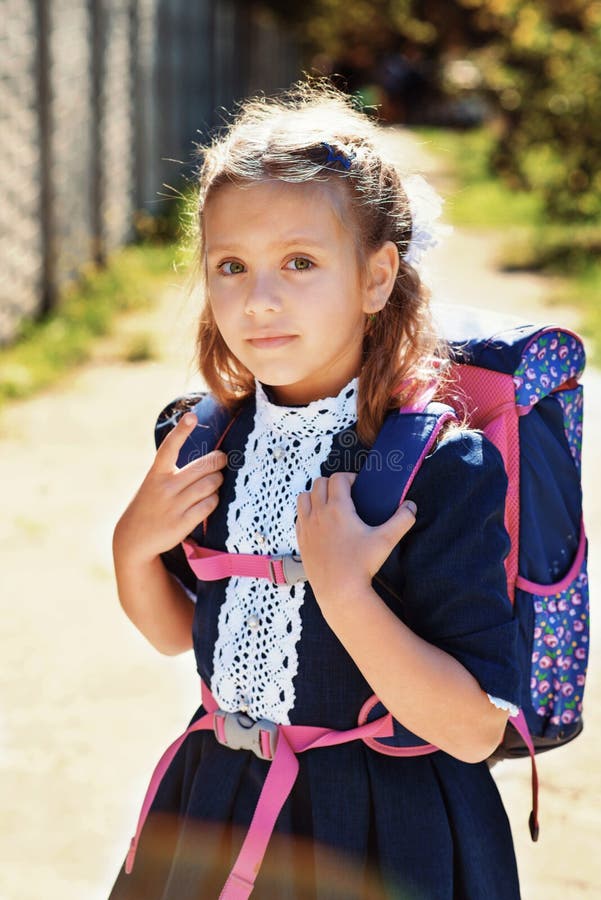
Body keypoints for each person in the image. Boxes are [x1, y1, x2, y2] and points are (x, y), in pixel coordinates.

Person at [108, 84, 521, 899]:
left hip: (378, 829)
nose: (259, 298)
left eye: (300, 262)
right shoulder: (198, 440)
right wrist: (131, 547)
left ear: (375, 278)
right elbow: (172, 634)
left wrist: (341, 588)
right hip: (215, 803)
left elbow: (473, 731)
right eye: (232, 266)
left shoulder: (438, 468)